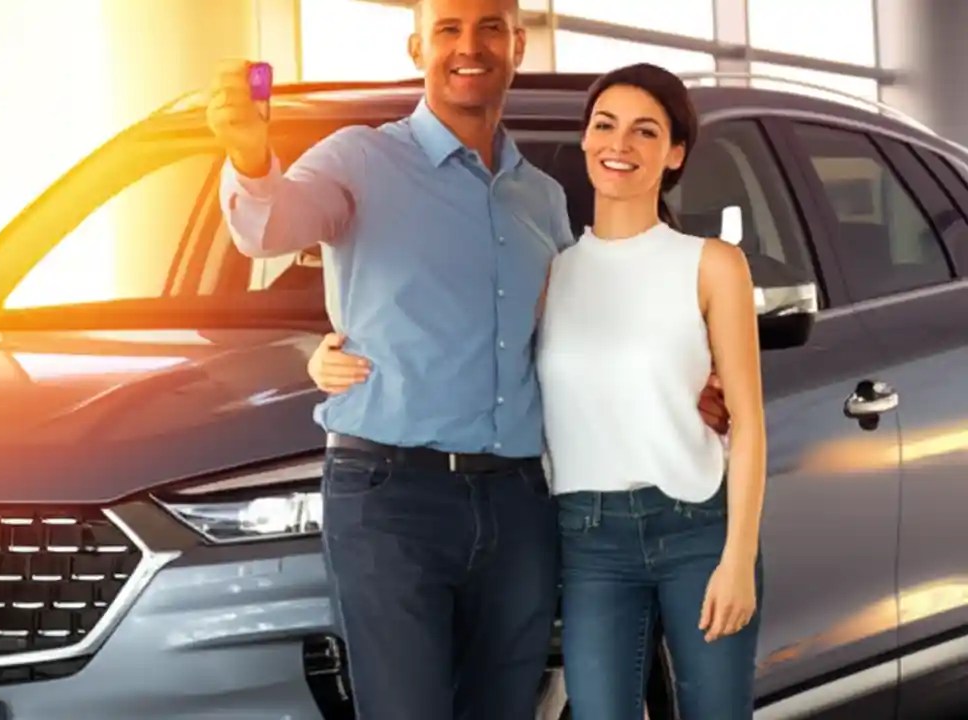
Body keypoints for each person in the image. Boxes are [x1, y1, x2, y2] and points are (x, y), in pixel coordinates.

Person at [207, 0, 728, 715]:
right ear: (417, 46)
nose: (468, 46)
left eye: (489, 27)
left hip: (517, 504)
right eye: (448, 28)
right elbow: (267, 226)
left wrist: (683, 385)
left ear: (517, 44)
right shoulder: (358, 159)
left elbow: (572, 343)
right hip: (392, 498)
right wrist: (245, 153)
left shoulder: (542, 199)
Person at [307, 62, 767, 720]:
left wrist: (739, 558)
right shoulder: (554, 270)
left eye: (645, 131)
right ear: (584, 140)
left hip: (696, 527)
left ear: (675, 153)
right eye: (605, 125)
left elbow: (748, 422)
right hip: (587, 539)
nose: (620, 144)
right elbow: (471, 351)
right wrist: (322, 356)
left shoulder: (711, 264)